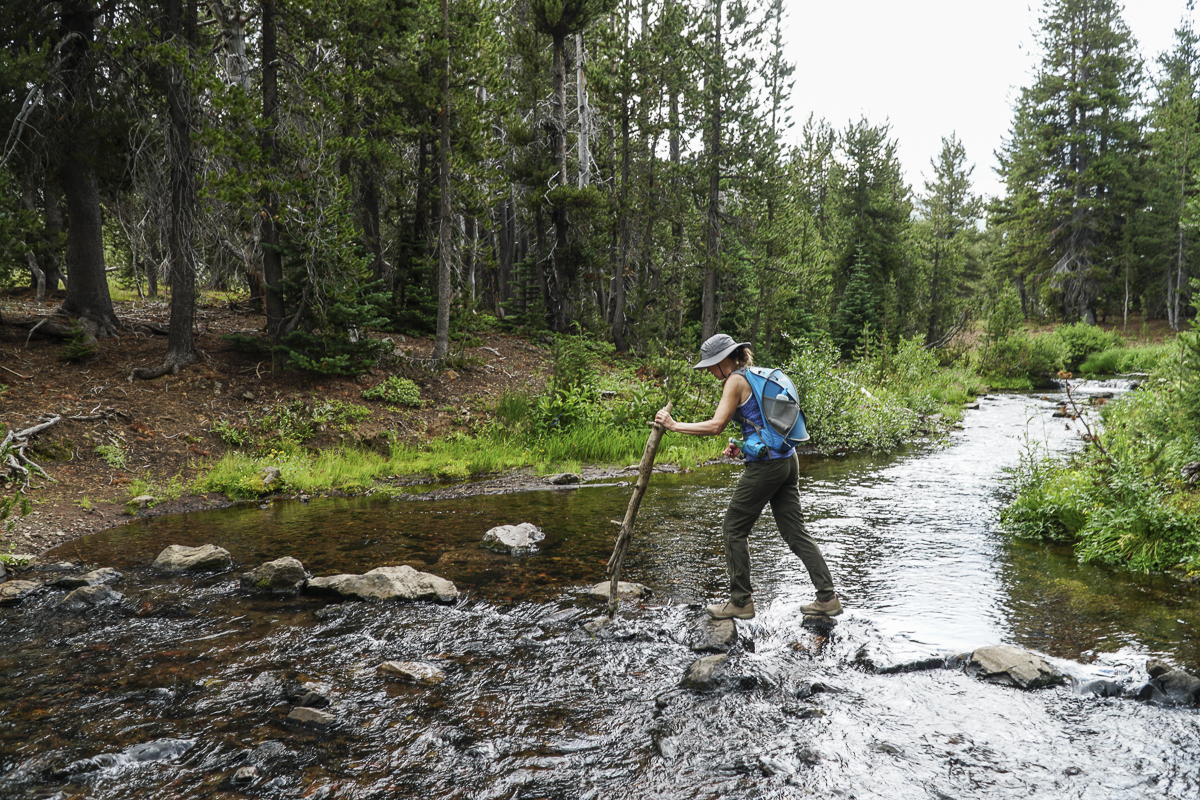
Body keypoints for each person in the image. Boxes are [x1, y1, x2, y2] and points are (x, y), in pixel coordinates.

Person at [654, 333, 842, 621]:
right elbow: (760, 423)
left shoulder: (734, 381)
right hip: (787, 460)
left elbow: (716, 425)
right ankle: (827, 598)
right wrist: (741, 445)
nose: (709, 373)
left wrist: (674, 425)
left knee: (733, 529)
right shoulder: (752, 375)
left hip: (767, 466)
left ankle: (741, 601)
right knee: (795, 533)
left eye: (710, 367)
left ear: (722, 361)